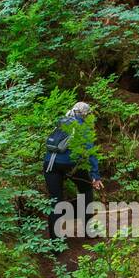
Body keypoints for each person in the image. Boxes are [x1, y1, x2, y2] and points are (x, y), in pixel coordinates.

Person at [43, 100, 104, 239]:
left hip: (50, 164)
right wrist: (95, 176)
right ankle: (89, 232)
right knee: (86, 191)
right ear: (85, 115)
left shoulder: (61, 122)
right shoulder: (82, 127)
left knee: (55, 201)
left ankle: (55, 244)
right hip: (71, 164)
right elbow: (90, 152)